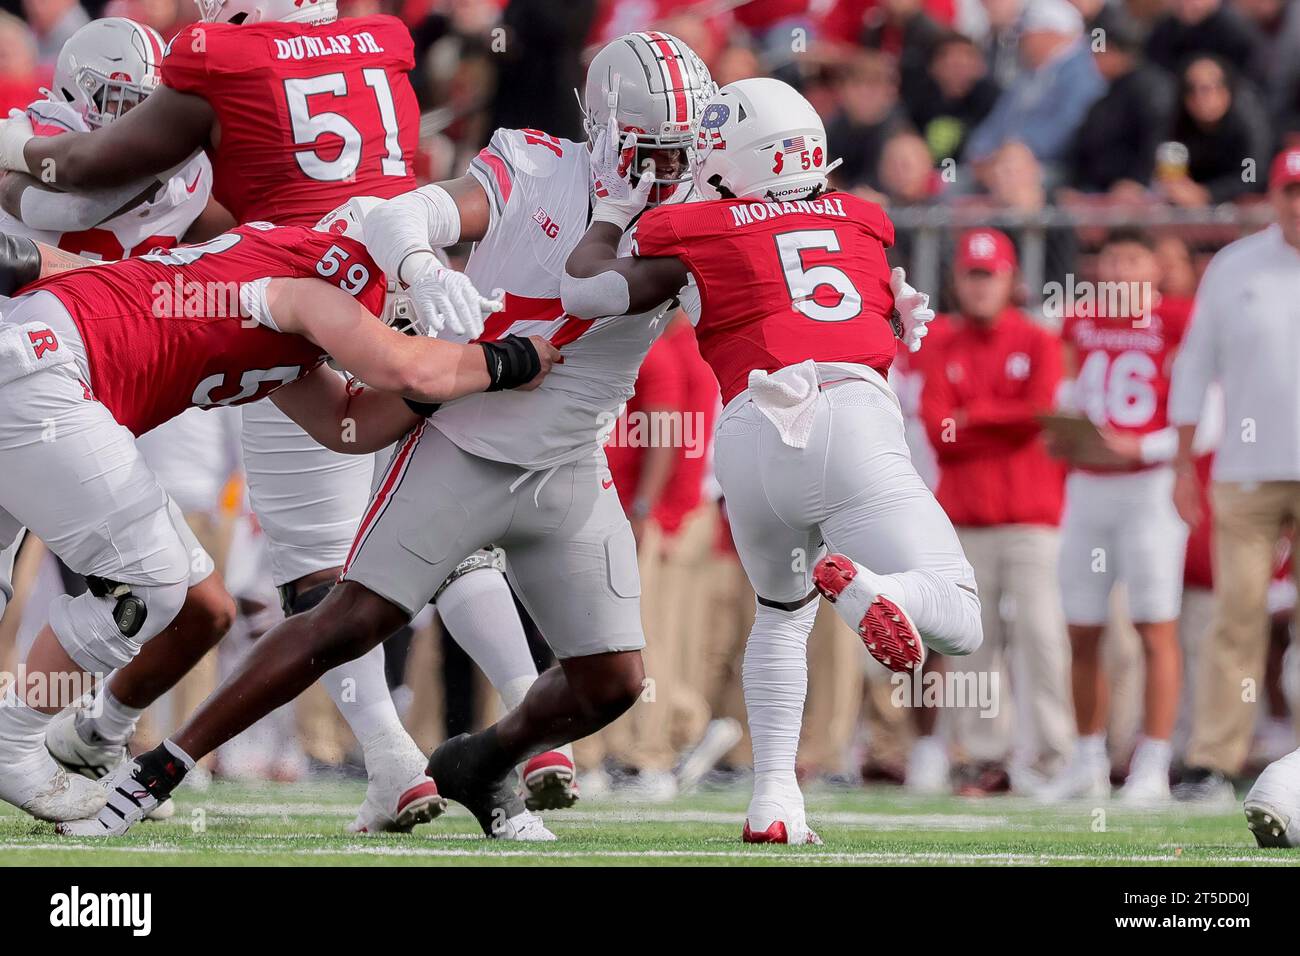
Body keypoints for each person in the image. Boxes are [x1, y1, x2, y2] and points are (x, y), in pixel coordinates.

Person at [58, 31, 720, 841]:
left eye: (678, 156)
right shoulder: (537, 163)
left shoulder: (699, 216)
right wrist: (422, 266)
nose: (663, 175)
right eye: (648, 153)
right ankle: (155, 772)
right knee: (345, 619)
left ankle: (483, 761)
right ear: (606, 128)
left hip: (571, 465)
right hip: (466, 440)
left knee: (615, 682)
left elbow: (707, 292)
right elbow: (404, 210)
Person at [0, 0, 570, 827]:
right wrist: (507, 359)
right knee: (160, 585)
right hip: (53, 366)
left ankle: (84, 734)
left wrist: (441, 391)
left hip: (80, 374)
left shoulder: (283, 292)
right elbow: (395, 358)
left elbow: (351, 419)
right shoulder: (303, 282)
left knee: (199, 603)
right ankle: (28, 743)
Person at [563, 77, 983, 843]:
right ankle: (874, 586)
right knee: (961, 619)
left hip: (749, 432)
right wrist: (895, 308)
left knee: (781, 618)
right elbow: (842, 280)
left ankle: (773, 805)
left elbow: (585, 290)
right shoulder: (864, 219)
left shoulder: (695, 226)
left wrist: (616, 211)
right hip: (848, 417)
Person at [1169, 146, 1300, 806]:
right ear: (1273, 196)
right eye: (1290, 191)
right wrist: (1183, 460)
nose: (1299, 204)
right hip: (1246, 470)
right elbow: (1196, 364)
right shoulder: (1236, 265)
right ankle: (1215, 759)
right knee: (1237, 615)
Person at [919, 228, 1072, 792]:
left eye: (991, 275)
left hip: (1031, 517)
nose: (981, 286)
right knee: (972, 646)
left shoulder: (1037, 340)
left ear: (1011, 280)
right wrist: (1002, 418)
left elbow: (1040, 412)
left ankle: (1056, 756)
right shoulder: (942, 344)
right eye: (971, 275)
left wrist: (975, 416)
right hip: (964, 519)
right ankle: (986, 757)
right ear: (957, 281)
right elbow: (939, 432)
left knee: (1042, 636)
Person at [1044, 228, 1190, 804]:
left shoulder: (1177, 319)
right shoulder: (1079, 320)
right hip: (1088, 486)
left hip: (1147, 489)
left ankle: (1152, 763)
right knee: (1081, 628)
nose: (1121, 268)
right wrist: (1062, 427)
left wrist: (1147, 448)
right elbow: (1064, 388)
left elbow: (1207, 405)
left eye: (1134, 257)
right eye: (1113, 258)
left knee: (1155, 626)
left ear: (1155, 267)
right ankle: (1087, 760)